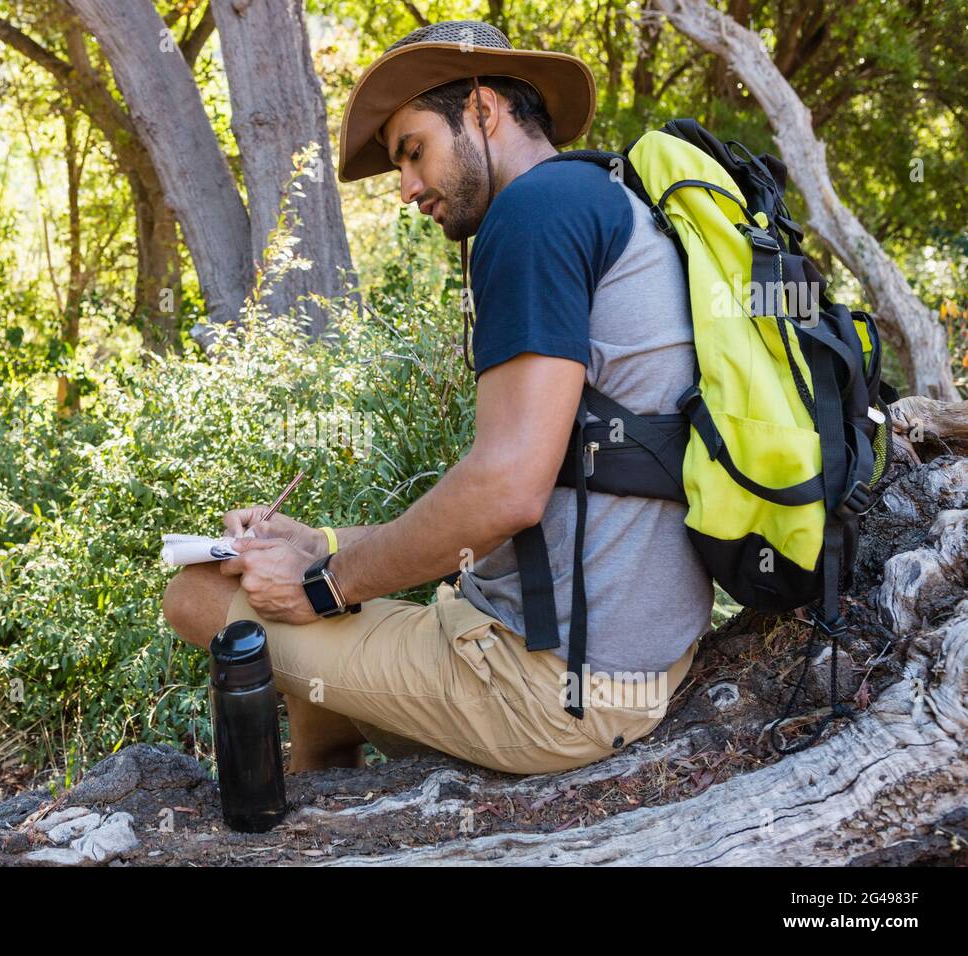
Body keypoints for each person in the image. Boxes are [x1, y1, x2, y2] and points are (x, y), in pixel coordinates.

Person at [163, 19, 713, 775]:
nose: (408, 189)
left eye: (413, 151)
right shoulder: (603, 198)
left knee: (195, 595)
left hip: (552, 691)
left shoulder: (533, 215)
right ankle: (325, 785)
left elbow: (507, 492)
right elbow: (529, 490)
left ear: (483, 110)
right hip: (629, 666)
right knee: (275, 579)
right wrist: (318, 545)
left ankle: (313, 787)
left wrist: (323, 586)